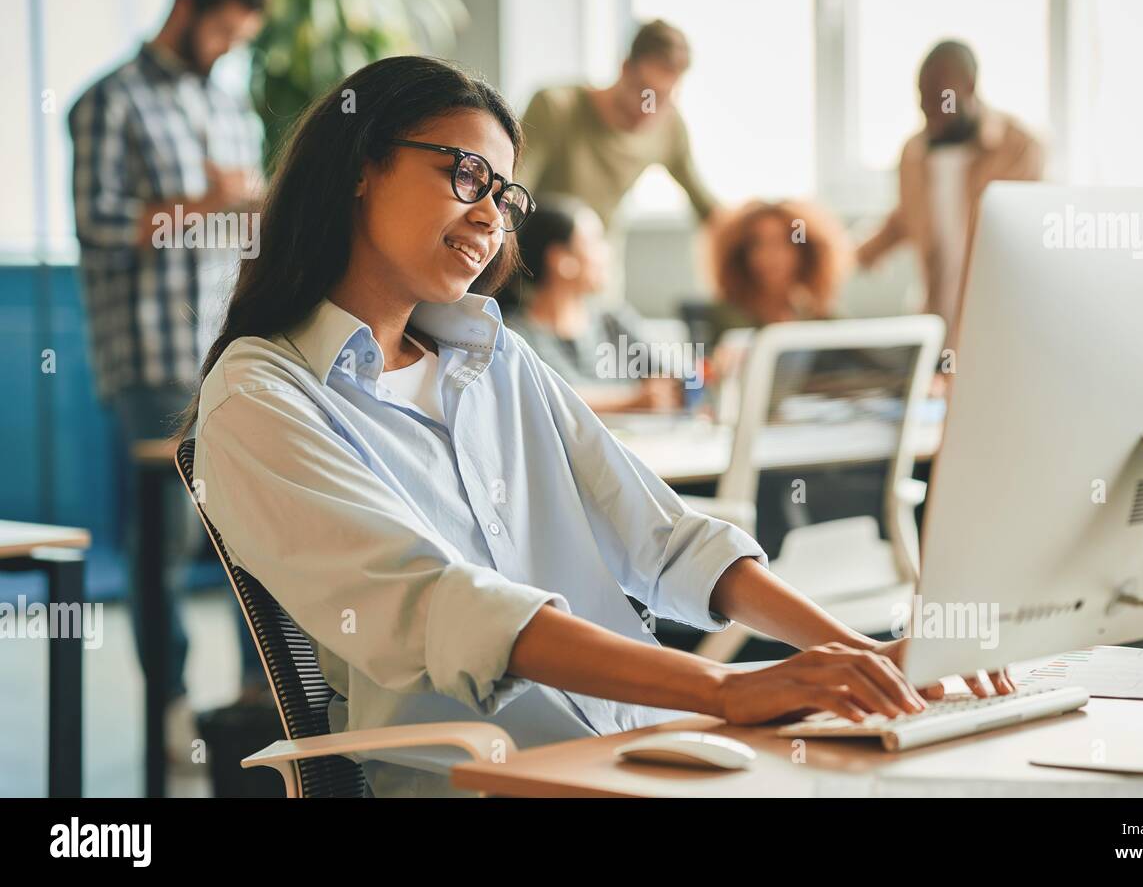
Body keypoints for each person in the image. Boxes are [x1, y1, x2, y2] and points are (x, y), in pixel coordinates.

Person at [185, 55, 1013, 797]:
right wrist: (725, 692)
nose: (490, 219)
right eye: (467, 175)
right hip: (482, 778)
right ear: (362, 166)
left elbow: (667, 540)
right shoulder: (260, 399)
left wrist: (862, 663)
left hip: (634, 747)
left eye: (505, 197)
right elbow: (446, 606)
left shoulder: (493, 359)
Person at [68, 0, 267, 748]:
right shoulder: (106, 103)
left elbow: (236, 226)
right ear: (187, 9)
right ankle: (171, 708)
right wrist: (201, 203)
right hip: (149, 354)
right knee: (167, 537)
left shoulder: (231, 109)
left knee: (255, 521)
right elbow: (101, 228)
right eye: (221, 28)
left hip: (225, 349)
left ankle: (262, 699)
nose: (227, 47)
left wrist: (249, 211)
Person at [855, 40, 1044, 356]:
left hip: (1001, 329)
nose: (927, 106)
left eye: (938, 95)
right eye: (921, 95)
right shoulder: (913, 154)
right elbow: (905, 218)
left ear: (969, 87)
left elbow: (1028, 234)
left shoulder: (1018, 146)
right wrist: (839, 258)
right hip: (937, 328)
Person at [515, 20, 718, 230]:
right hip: (537, 255)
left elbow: (708, 208)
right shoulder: (555, 108)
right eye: (644, 91)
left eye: (663, 97)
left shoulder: (669, 129)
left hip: (599, 256)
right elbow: (513, 193)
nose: (649, 109)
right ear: (625, 69)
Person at [499, 194, 679, 414]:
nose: (607, 253)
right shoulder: (514, 337)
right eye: (596, 241)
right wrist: (631, 401)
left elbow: (673, 376)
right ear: (561, 261)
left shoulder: (614, 321)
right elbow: (542, 400)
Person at [702, 198, 848, 349]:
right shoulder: (726, 316)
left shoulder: (821, 316)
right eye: (757, 244)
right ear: (741, 255)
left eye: (783, 242)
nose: (770, 255)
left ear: (804, 251)